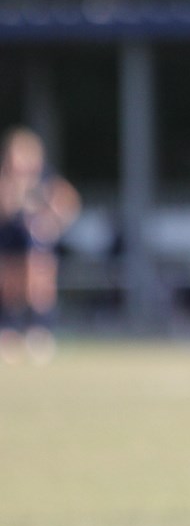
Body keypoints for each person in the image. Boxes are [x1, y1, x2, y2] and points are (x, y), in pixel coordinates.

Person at [0, 126, 81, 365]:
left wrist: (52, 221)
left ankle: (40, 330)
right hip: (9, 239)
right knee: (10, 284)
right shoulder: (6, 180)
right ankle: (9, 329)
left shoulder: (47, 180)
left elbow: (69, 203)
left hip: (36, 242)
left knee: (40, 284)